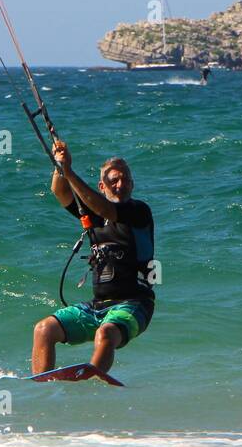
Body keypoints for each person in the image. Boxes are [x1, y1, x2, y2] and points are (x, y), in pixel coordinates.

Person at [30, 142, 156, 377]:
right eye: (114, 181)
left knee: (106, 334)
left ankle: (90, 385)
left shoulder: (139, 212)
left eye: (126, 179)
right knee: (44, 329)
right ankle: (40, 389)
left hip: (135, 304)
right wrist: (60, 167)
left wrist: (70, 172)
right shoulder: (94, 217)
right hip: (97, 306)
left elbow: (108, 210)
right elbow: (60, 191)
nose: (121, 185)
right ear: (102, 186)